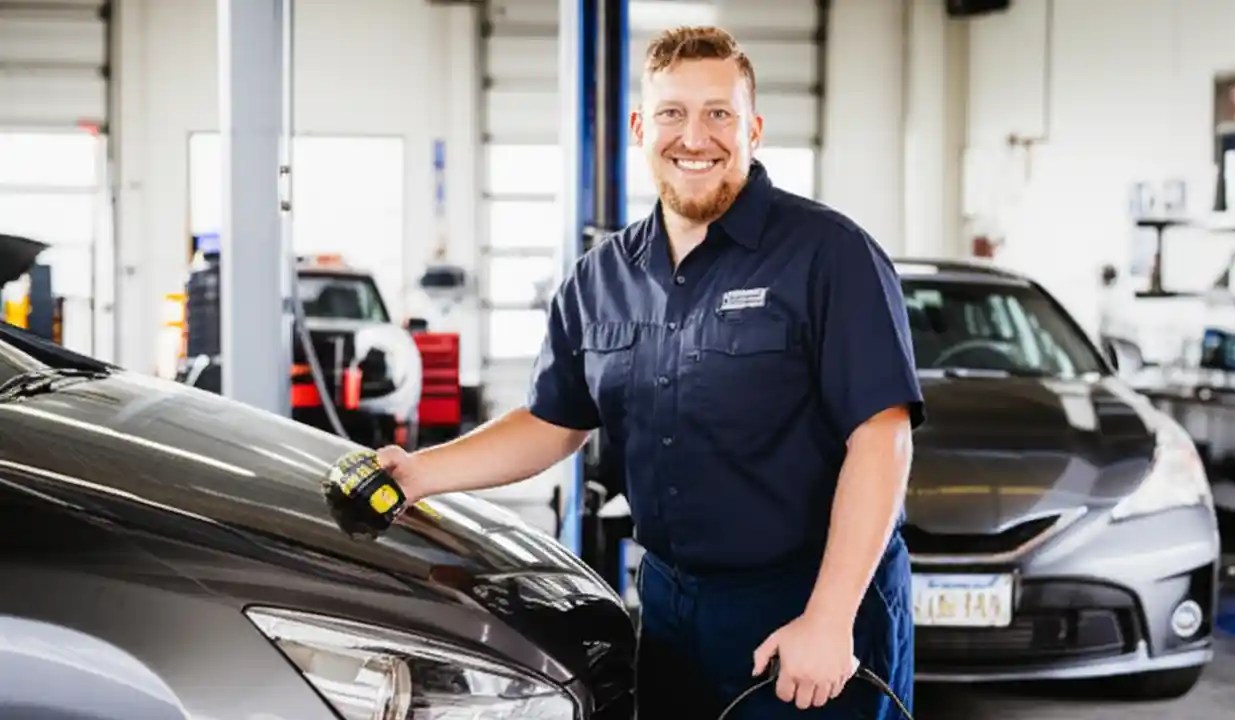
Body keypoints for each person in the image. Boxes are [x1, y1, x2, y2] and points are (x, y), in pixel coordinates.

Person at [335, 25, 924, 720]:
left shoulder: (830, 255)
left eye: (719, 113)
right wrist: (417, 473)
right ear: (642, 127)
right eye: (673, 113)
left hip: (809, 603)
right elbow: (553, 423)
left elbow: (882, 439)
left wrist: (829, 618)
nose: (694, 136)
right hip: (673, 608)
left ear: (754, 128)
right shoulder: (601, 278)